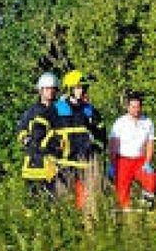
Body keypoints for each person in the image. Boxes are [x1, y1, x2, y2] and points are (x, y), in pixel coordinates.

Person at [53, 69, 105, 210]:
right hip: (63, 163)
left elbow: (100, 132)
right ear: (69, 89)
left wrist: (96, 146)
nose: (81, 91)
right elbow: (46, 132)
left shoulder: (89, 110)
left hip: (84, 163)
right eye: (77, 87)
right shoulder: (57, 109)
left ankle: (86, 222)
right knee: (62, 202)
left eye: (83, 87)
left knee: (85, 204)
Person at [108, 91, 156, 210]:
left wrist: (148, 162)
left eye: (138, 107)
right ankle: (124, 211)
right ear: (128, 107)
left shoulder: (147, 122)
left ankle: (146, 206)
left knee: (151, 177)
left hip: (140, 160)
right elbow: (113, 145)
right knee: (122, 192)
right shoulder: (120, 122)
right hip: (123, 160)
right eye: (133, 107)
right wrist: (112, 164)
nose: (136, 110)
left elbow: (150, 144)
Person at [16, 72, 61, 203]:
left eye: (53, 89)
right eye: (47, 89)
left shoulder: (60, 110)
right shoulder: (32, 111)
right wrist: (28, 141)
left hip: (54, 160)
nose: (50, 92)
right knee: (33, 198)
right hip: (34, 161)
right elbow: (21, 130)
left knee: (53, 199)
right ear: (40, 90)